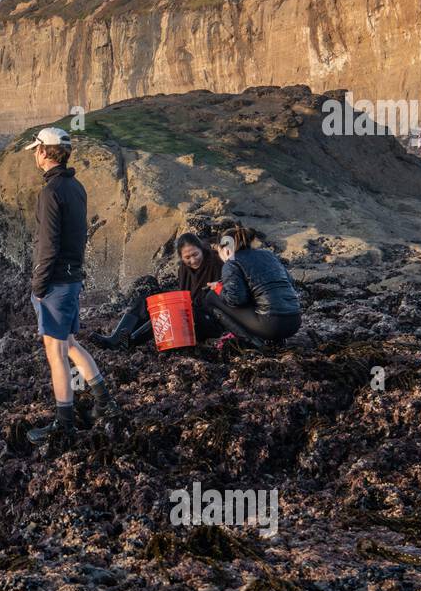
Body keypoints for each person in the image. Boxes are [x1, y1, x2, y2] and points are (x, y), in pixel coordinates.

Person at [24, 127, 121, 444]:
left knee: (56, 352)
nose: (35, 157)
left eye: (36, 151)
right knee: (68, 343)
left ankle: (64, 424)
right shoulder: (75, 187)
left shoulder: (51, 192)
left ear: (42, 152)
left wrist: (39, 286)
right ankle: (106, 403)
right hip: (71, 277)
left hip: (56, 282)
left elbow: (48, 245)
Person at [89, 232, 224, 349]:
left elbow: (218, 299)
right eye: (187, 257)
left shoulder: (215, 262)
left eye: (195, 254)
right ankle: (117, 337)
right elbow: (184, 295)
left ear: (201, 249)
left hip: (208, 319)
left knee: (170, 311)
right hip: (190, 314)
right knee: (145, 296)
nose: (193, 260)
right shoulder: (184, 269)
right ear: (181, 258)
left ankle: (131, 341)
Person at [201, 226, 301, 348]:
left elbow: (235, 300)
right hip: (294, 321)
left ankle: (255, 342)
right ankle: (276, 341)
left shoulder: (231, 263)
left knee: (211, 297)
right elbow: (290, 284)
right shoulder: (269, 255)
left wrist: (218, 288)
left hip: (271, 325)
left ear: (225, 250)